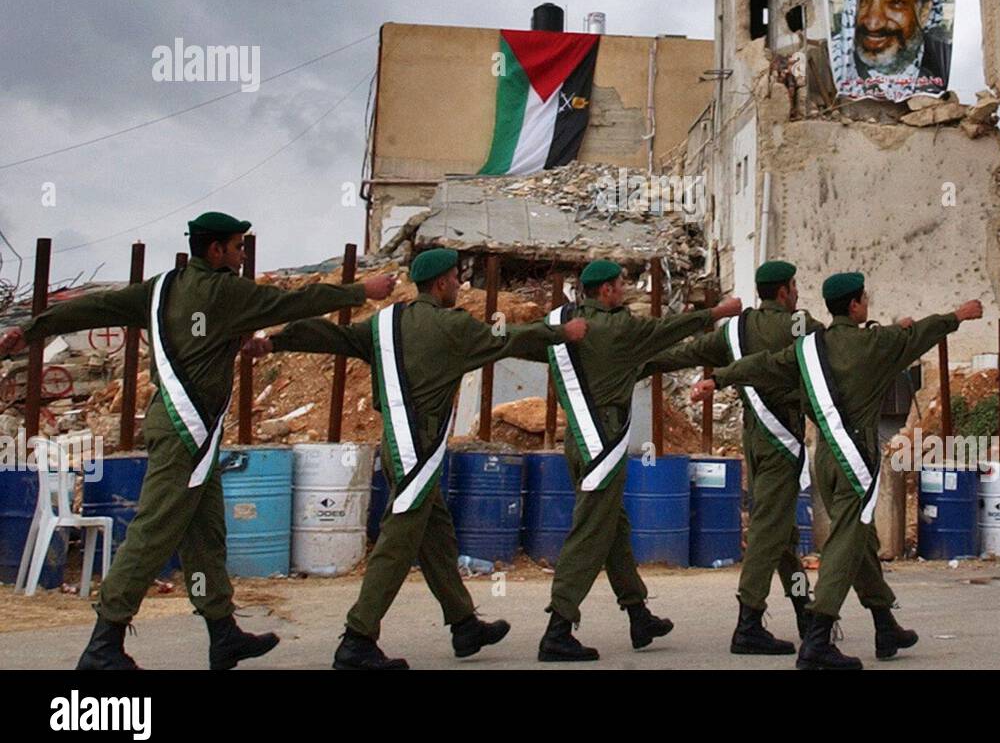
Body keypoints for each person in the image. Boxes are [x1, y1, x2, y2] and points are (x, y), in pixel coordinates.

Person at [0, 212, 397, 670]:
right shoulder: (228, 292)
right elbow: (294, 302)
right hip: (184, 434)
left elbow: (97, 307)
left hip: (186, 433)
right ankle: (103, 642)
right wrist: (359, 291)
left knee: (205, 536)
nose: (243, 253)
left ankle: (222, 632)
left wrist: (32, 330)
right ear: (216, 251)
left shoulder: (163, 288)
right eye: (237, 246)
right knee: (152, 532)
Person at [246, 247, 586, 670]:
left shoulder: (386, 325)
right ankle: (357, 638)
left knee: (436, 535)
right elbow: (509, 340)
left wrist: (277, 341)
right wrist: (561, 333)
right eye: (455, 280)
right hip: (418, 450)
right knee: (396, 542)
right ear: (441, 283)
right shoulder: (454, 327)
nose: (459, 287)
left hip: (396, 446)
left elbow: (333, 337)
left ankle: (464, 624)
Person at [694, 273, 982, 670]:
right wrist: (959, 315)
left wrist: (720, 379)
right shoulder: (877, 344)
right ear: (855, 306)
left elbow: (764, 365)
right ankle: (817, 640)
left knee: (859, 538)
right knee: (844, 546)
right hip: (854, 461)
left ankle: (885, 624)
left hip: (824, 460)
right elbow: (923, 333)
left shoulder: (809, 348)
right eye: (865, 297)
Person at [538, 259, 741, 662]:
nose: (626, 290)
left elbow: (648, 359)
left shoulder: (569, 323)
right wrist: (716, 313)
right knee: (590, 533)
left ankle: (638, 614)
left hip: (579, 442)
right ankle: (558, 628)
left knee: (613, 527)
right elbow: (665, 331)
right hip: (602, 444)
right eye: (621, 284)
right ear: (607, 291)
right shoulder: (620, 329)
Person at [640, 259, 819, 655]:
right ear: (786, 290)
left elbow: (689, 353)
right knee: (768, 532)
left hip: (755, 435)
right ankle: (749, 623)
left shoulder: (736, 329)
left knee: (781, 532)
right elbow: (834, 356)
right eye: (795, 285)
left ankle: (805, 609)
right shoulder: (800, 324)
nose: (797, 292)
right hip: (782, 436)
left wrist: (640, 365)